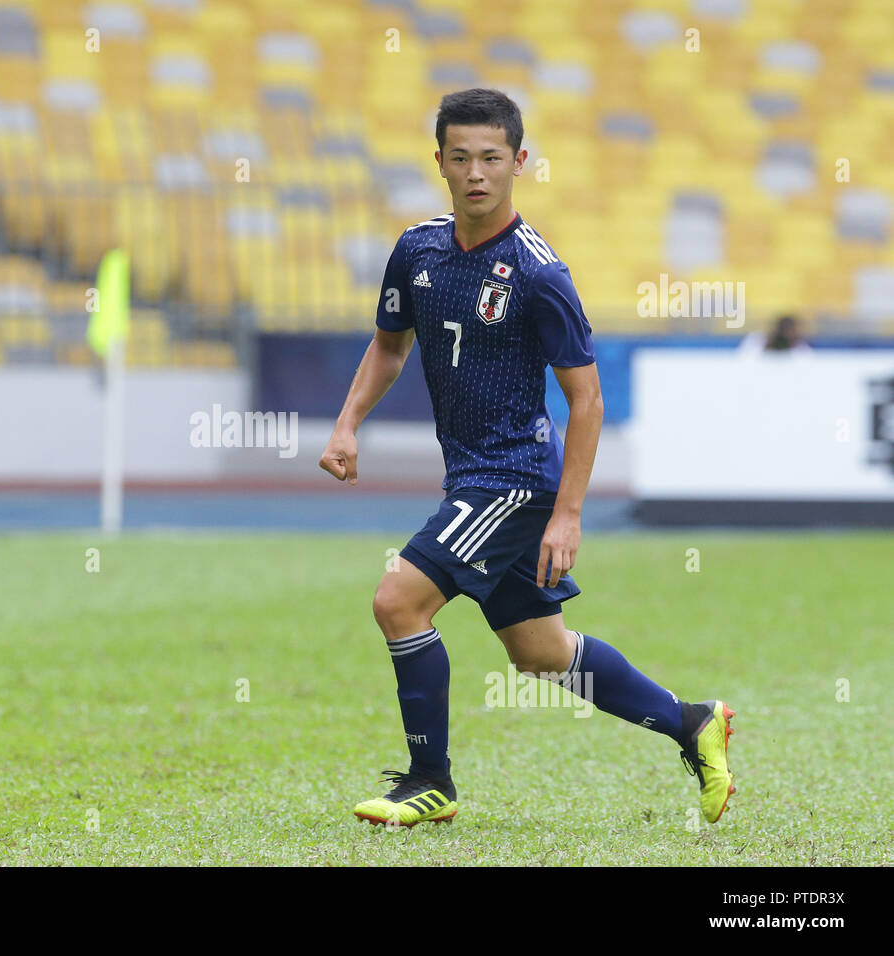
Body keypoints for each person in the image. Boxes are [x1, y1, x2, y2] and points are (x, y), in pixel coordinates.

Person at [318, 89, 735, 828]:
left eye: (490, 158)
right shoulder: (415, 250)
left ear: (519, 160)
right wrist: (348, 423)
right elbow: (389, 345)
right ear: (439, 162)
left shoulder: (540, 274)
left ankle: (429, 780)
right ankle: (693, 722)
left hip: (514, 479)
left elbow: (588, 402)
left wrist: (567, 515)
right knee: (541, 653)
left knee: (397, 601)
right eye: (460, 158)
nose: (475, 172)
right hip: (472, 475)